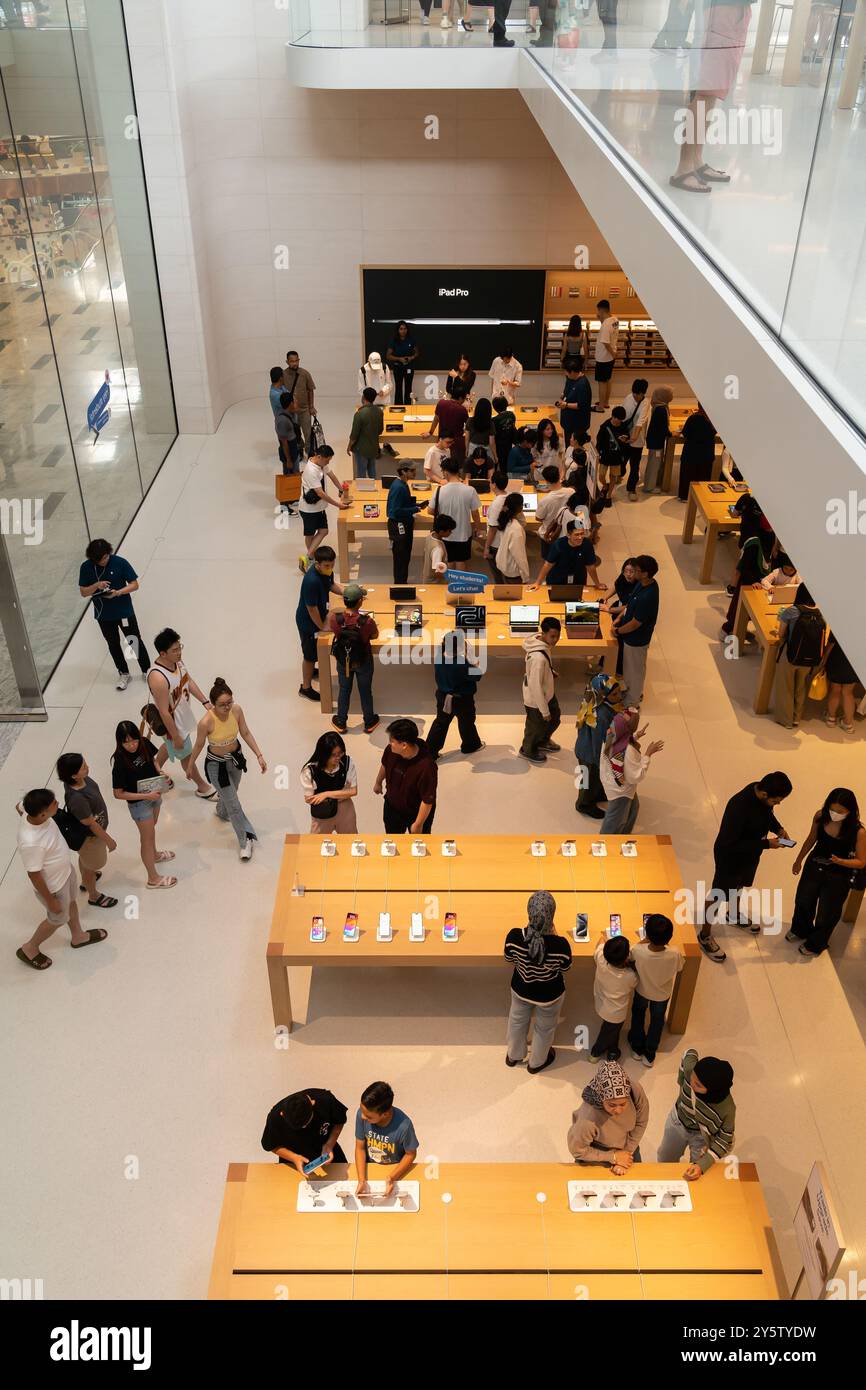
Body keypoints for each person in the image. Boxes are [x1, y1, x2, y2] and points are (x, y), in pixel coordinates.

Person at [698, 771, 794, 962]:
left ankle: (732, 915)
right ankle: (704, 935)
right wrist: (767, 844)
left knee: (740, 885)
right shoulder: (739, 807)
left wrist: (779, 829)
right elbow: (729, 844)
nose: (778, 804)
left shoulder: (759, 790)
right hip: (730, 857)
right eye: (776, 801)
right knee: (718, 894)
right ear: (765, 794)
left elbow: (768, 814)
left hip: (750, 854)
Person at [15, 788, 107, 970]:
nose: (58, 804)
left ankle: (78, 935)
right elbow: (33, 874)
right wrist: (50, 900)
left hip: (65, 873)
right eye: (54, 804)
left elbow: (18, 807)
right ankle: (29, 948)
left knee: (72, 902)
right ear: (42, 814)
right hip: (54, 887)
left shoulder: (29, 810)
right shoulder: (31, 842)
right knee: (57, 919)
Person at [669, 0, 752, 194]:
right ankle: (684, 167)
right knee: (706, 94)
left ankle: (695, 161)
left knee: (711, 92)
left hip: (733, 11)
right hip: (725, 11)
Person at [188, 677, 266, 861]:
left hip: (235, 760)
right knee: (235, 804)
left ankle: (221, 811)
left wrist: (259, 755)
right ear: (213, 704)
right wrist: (190, 765)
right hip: (217, 766)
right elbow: (199, 745)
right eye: (222, 704)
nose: (227, 707)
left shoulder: (236, 710)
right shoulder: (206, 722)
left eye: (229, 702)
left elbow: (245, 732)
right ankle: (245, 840)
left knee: (232, 794)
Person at [787, 789, 866, 957]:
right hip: (815, 864)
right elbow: (811, 839)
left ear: (850, 811)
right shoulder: (820, 816)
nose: (835, 814)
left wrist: (841, 861)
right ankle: (800, 929)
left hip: (839, 874)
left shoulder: (858, 831)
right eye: (832, 810)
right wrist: (799, 859)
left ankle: (817, 942)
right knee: (803, 899)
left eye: (840, 812)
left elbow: (861, 862)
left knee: (828, 910)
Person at [503, 889, 572, 1075]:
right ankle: (536, 1063)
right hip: (549, 995)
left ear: (529, 912)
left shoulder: (514, 937)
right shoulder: (561, 945)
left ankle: (514, 1055)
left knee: (516, 1022)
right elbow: (565, 968)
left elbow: (509, 959)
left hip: (521, 989)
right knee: (545, 1028)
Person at [147, 628, 215, 797]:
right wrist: (175, 736)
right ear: (163, 653)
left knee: (169, 747)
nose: (179, 652)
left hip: (182, 719)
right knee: (187, 757)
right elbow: (163, 712)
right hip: (173, 726)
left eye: (180, 647)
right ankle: (203, 788)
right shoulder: (158, 678)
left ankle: (152, 770)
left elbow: (188, 680)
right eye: (175, 650)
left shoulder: (177, 662)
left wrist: (205, 701)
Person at [111, 720, 176, 890]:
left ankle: (154, 855)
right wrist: (145, 795)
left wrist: (161, 773)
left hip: (155, 793)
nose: (131, 745)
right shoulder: (119, 761)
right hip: (140, 804)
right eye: (126, 742)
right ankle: (153, 878)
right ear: (120, 742)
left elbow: (153, 760)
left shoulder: (144, 743)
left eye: (134, 740)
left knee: (151, 830)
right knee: (146, 839)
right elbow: (118, 793)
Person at [78, 539, 150, 692]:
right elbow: (84, 592)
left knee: (133, 640)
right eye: (99, 560)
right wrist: (97, 585)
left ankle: (146, 670)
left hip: (124, 611)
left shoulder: (120, 562)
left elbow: (134, 584)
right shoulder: (86, 568)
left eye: (105, 557)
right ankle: (123, 673)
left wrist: (118, 592)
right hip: (103, 615)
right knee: (113, 644)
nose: (103, 561)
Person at [657, 1051, 735, 1180]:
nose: (692, 1083)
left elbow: (725, 1140)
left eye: (698, 1085)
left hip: (701, 1136)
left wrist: (701, 1165)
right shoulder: (691, 1070)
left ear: (712, 1091)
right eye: (692, 1077)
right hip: (678, 1121)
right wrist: (681, 1080)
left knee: (695, 1168)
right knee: (665, 1157)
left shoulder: (727, 1109)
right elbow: (689, 1052)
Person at [56, 754, 118, 909]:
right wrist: (109, 840)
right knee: (93, 865)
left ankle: (86, 879)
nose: (87, 767)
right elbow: (90, 824)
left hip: (93, 835)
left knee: (87, 861)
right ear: (73, 775)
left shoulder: (79, 781)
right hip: (91, 838)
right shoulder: (77, 798)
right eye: (83, 767)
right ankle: (94, 895)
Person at [568, 1060, 649, 1171]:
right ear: (602, 1098)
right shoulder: (588, 1118)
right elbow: (578, 1150)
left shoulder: (635, 1091)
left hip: (629, 1145)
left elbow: (641, 1121)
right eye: (612, 1105)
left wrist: (626, 1152)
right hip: (598, 1155)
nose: (618, 1110)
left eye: (623, 1104)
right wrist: (614, 1157)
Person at [628, 913, 684, 1068]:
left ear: (646, 933)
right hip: (662, 995)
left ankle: (636, 1046)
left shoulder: (638, 951)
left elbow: (632, 953)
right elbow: (680, 967)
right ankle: (650, 1052)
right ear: (670, 936)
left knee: (638, 1014)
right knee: (657, 1020)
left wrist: (645, 940)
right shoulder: (675, 954)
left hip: (642, 990)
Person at [599, 709, 664, 834]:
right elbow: (636, 776)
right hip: (620, 790)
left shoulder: (611, 734)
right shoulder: (628, 751)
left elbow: (621, 743)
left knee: (633, 808)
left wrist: (635, 736)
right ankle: (605, 842)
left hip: (612, 779)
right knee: (614, 820)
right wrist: (648, 754)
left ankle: (624, 834)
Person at [296, 545, 347, 702]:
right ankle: (305, 688)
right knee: (309, 656)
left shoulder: (326, 572)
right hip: (309, 623)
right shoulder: (311, 581)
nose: (330, 568)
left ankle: (312, 671)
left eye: (332, 565)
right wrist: (322, 626)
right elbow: (311, 609)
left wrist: (346, 592)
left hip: (319, 616)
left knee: (315, 651)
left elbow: (330, 585)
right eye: (326, 566)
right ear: (316, 563)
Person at [329, 583, 380, 735]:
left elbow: (337, 634)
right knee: (365, 690)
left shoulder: (335, 619)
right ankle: (369, 722)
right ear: (360, 602)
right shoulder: (367, 621)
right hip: (363, 660)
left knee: (344, 689)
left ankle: (341, 721)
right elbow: (375, 635)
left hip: (343, 660)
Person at [425, 628, 484, 759]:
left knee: (440, 722)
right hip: (461, 699)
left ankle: (430, 752)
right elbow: (477, 675)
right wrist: (475, 664)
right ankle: (470, 745)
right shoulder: (460, 663)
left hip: (442, 696)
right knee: (466, 721)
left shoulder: (439, 657)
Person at [774, 584, 826, 729]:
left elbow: (781, 634)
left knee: (786, 687)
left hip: (791, 655)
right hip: (810, 659)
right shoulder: (820, 612)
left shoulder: (792, 611)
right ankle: (797, 718)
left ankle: (786, 720)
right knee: (800, 687)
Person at [574, 672, 625, 819]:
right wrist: (601, 760)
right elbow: (599, 742)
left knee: (593, 779)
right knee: (588, 780)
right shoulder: (601, 715)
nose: (619, 697)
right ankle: (584, 804)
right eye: (615, 695)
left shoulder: (594, 702)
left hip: (586, 749)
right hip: (590, 754)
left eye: (619, 692)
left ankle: (596, 794)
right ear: (603, 695)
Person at [373, 718, 438, 833]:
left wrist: (418, 824)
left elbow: (427, 800)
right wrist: (378, 782)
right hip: (392, 807)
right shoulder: (391, 750)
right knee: (393, 841)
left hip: (416, 812)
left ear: (404, 745)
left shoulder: (427, 767)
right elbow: (385, 765)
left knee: (418, 846)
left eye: (392, 740)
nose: (389, 743)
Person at [355, 1082, 419, 1196]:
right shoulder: (362, 1114)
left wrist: (392, 1177)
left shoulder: (404, 1126)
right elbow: (360, 1148)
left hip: (394, 1168)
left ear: (385, 1114)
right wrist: (361, 1179)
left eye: (369, 1116)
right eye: (362, 1111)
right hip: (371, 1168)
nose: (362, 1117)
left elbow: (411, 1154)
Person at [262, 1088, 348, 1171]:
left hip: (327, 1150)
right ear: (282, 1114)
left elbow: (339, 1121)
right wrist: (294, 1158)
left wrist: (329, 1144)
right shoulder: (275, 1118)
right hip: (293, 1159)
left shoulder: (325, 1100)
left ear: (312, 1103)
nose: (305, 1128)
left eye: (307, 1123)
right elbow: (271, 1146)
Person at [614, 554, 659, 706]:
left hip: (636, 639)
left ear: (645, 573)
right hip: (630, 636)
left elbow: (635, 623)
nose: (633, 572)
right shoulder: (642, 583)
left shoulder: (648, 596)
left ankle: (631, 704)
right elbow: (629, 605)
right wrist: (619, 618)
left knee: (635, 671)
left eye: (637, 570)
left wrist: (619, 631)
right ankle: (632, 693)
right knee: (632, 668)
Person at [519, 616, 562, 765]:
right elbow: (535, 685)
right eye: (552, 636)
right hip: (536, 700)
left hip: (547, 694)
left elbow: (541, 670)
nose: (555, 639)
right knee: (535, 727)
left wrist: (550, 672)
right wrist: (544, 711)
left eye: (558, 636)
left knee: (555, 718)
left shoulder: (543, 646)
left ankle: (543, 741)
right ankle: (527, 749)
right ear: (543, 634)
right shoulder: (538, 658)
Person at [591, 931, 637, 1060]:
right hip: (617, 1012)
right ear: (627, 956)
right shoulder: (629, 976)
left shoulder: (601, 959)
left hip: (601, 1004)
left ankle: (613, 1049)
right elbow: (635, 984)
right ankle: (596, 1052)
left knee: (611, 1029)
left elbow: (600, 941)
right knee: (609, 1030)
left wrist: (605, 937)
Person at [301, 732, 358, 834]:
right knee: (316, 845)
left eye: (340, 753)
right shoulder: (309, 770)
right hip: (322, 812)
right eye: (333, 755)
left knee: (350, 843)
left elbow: (353, 791)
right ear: (323, 754)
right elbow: (309, 798)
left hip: (345, 808)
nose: (338, 758)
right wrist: (341, 793)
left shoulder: (347, 763)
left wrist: (326, 794)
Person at [299, 444, 349, 560]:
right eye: (327, 460)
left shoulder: (321, 464)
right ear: (320, 457)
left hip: (319, 507)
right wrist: (338, 505)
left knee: (323, 531)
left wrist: (341, 489)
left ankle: (309, 556)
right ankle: (309, 557)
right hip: (309, 509)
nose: (328, 463)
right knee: (310, 535)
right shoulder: (310, 470)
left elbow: (332, 476)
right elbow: (320, 493)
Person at [432, 457, 482, 570]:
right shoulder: (470, 490)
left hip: (445, 533)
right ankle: (460, 586)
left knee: (449, 560)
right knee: (461, 560)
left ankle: (450, 584)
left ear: (445, 472)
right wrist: (478, 529)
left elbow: (431, 510)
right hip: (464, 533)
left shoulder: (439, 490)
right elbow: (475, 513)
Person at [530, 520, 600, 590]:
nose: (580, 537)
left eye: (582, 534)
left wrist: (597, 584)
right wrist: (537, 583)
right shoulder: (558, 545)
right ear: (568, 535)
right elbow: (547, 565)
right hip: (557, 580)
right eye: (577, 534)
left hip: (578, 580)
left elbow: (590, 567)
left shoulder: (587, 544)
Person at [387, 463, 426, 584]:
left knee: (405, 557)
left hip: (404, 523)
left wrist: (415, 505)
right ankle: (400, 585)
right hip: (399, 525)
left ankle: (402, 582)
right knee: (401, 558)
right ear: (403, 471)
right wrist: (415, 509)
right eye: (412, 470)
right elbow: (394, 511)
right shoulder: (399, 487)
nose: (415, 472)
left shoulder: (402, 484)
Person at [604, 557, 638, 675]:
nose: (628, 574)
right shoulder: (622, 578)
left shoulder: (638, 586)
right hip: (618, 608)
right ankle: (604, 663)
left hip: (627, 614)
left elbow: (628, 607)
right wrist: (605, 597)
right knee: (609, 633)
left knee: (618, 641)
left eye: (631, 571)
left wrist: (608, 609)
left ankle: (617, 670)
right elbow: (616, 585)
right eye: (626, 571)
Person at [676, 402, 716, 501]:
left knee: (688, 475)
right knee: (703, 476)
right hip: (706, 454)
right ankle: (700, 498)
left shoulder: (693, 418)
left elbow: (685, 433)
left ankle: (685, 496)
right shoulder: (712, 419)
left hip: (691, 453)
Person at [823, 635, 860, 733]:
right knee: (848, 692)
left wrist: (823, 661)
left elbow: (831, 644)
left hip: (837, 660)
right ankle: (848, 724)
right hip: (855, 661)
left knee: (835, 690)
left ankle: (831, 719)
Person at [536, 466, 574, 558]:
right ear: (558, 476)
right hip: (567, 533)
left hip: (549, 534)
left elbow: (538, 518)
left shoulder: (545, 500)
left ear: (546, 480)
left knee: (548, 559)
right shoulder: (571, 492)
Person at [595, 406, 630, 505]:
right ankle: (605, 486)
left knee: (613, 476)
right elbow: (599, 441)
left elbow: (627, 438)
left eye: (620, 419)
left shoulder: (623, 426)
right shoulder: (605, 426)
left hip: (616, 456)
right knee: (601, 475)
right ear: (613, 416)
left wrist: (625, 439)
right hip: (605, 455)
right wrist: (598, 452)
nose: (618, 421)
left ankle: (609, 495)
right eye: (616, 418)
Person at [284, 349, 316, 455]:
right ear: (287, 362)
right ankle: (300, 449)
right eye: (292, 361)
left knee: (308, 433)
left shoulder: (305, 374)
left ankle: (309, 451)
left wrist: (311, 406)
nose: (295, 363)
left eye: (296, 360)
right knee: (294, 433)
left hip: (304, 409)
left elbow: (310, 390)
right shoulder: (283, 375)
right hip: (291, 411)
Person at [621, 378, 649, 500]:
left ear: (643, 393)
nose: (636, 396)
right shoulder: (628, 398)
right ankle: (619, 474)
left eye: (639, 394)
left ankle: (631, 488)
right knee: (622, 460)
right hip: (625, 436)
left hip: (637, 439)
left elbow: (640, 422)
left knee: (634, 464)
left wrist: (634, 437)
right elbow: (622, 416)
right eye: (634, 393)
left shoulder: (646, 403)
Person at [347, 386, 383, 480]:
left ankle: (361, 494)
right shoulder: (379, 411)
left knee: (361, 475)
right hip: (373, 448)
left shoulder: (359, 414)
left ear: (363, 397)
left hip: (361, 449)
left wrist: (349, 446)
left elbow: (354, 435)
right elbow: (380, 430)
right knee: (372, 473)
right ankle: (374, 492)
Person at [430, 382, 469, 467]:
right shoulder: (462, 409)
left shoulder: (441, 403)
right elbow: (468, 427)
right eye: (464, 399)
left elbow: (436, 419)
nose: (464, 401)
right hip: (456, 443)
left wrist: (430, 432)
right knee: (457, 467)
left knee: (441, 466)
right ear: (460, 398)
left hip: (442, 441)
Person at [643, 385, 673, 494]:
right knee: (654, 464)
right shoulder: (661, 409)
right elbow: (663, 427)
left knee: (655, 462)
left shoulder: (659, 406)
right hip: (656, 442)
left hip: (655, 440)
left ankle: (653, 483)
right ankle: (649, 487)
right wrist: (670, 434)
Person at [495, 492, 530, 583]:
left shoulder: (506, 521)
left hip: (503, 565)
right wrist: (526, 576)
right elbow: (519, 556)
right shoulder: (516, 529)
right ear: (520, 508)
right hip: (513, 572)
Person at [557, 355, 592, 446]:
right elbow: (566, 389)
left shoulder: (582, 385)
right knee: (567, 444)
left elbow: (581, 405)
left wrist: (566, 404)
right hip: (568, 421)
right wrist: (562, 395)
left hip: (577, 423)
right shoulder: (570, 378)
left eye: (567, 372)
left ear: (572, 372)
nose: (565, 374)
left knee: (573, 447)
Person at [592, 299, 619, 412]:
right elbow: (608, 330)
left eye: (598, 311)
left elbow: (605, 342)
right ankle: (606, 402)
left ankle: (600, 407)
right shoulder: (615, 320)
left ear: (601, 310)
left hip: (603, 357)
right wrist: (613, 354)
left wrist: (612, 354)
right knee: (608, 379)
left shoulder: (606, 325)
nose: (597, 313)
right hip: (610, 357)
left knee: (601, 382)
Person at [482, 472, 510, 580]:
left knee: (498, 574)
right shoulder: (509, 497)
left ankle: (501, 592)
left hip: (496, 544)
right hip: (507, 541)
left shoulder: (496, 504)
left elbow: (493, 529)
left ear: (493, 485)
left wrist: (486, 548)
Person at [386, 320, 418, 405]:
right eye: (401, 329)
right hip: (398, 367)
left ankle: (408, 407)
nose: (403, 331)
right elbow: (388, 355)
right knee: (398, 388)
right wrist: (399, 359)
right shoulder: (394, 341)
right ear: (398, 330)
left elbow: (417, 353)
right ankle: (398, 408)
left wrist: (411, 357)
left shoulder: (411, 340)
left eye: (405, 329)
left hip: (409, 367)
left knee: (408, 388)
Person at [421, 513, 456, 583]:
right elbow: (437, 572)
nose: (451, 533)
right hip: (434, 584)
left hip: (426, 578)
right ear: (441, 531)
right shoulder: (438, 549)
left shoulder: (430, 535)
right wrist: (450, 577)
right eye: (449, 531)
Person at [274, 390, 299, 476]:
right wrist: (288, 460)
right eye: (294, 401)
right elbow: (284, 442)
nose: (296, 402)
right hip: (289, 451)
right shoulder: (282, 421)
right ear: (290, 403)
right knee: (291, 473)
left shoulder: (289, 412)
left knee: (295, 471)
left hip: (293, 448)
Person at [466, 397, 494, 466]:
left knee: (472, 468)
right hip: (486, 449)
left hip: (472, 447)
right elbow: (491, 443)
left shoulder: (470, 421)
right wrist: (495, 456)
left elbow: (467, 438)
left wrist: (466, 449)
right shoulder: (490, 423)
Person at [492, 395, 516, 470]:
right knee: (506, 463)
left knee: (500, 464)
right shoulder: (511, 415)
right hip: (510, 443)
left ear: (495, 408)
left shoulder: (494, 420)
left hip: (499, 445)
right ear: (506, 405)